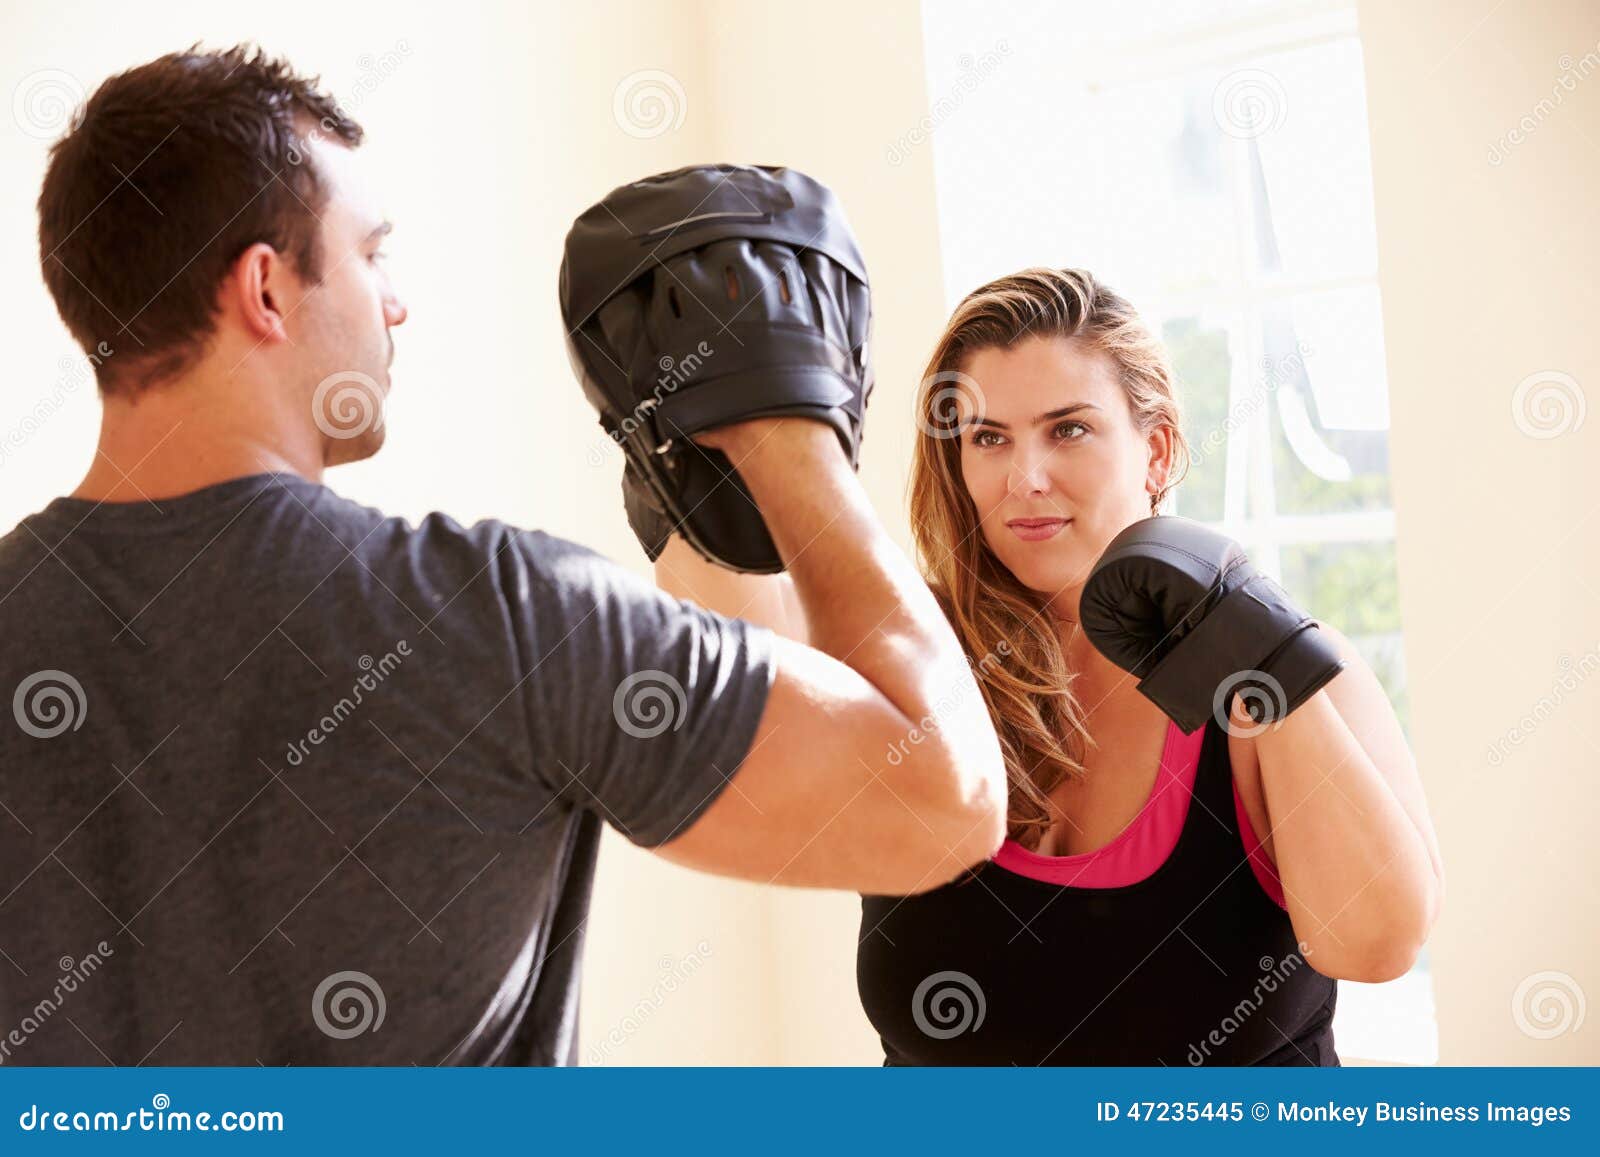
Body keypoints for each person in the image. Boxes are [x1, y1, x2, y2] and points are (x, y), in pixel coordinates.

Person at [0, 44, 1008, 1066]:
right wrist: (782, 429)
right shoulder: (498, 614)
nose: (395, 302)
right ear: (265, 288)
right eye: (370, 253)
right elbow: (939, 801)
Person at [660, 267, 1445, 1065]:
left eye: (1067, 429)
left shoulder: (1277, 669)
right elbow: (729, 668)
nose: (1024, 479)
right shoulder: (912, 654)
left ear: (1158, 448)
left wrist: (1261, 656)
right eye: (989, 437)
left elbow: (1377, 941)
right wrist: (686, 450)